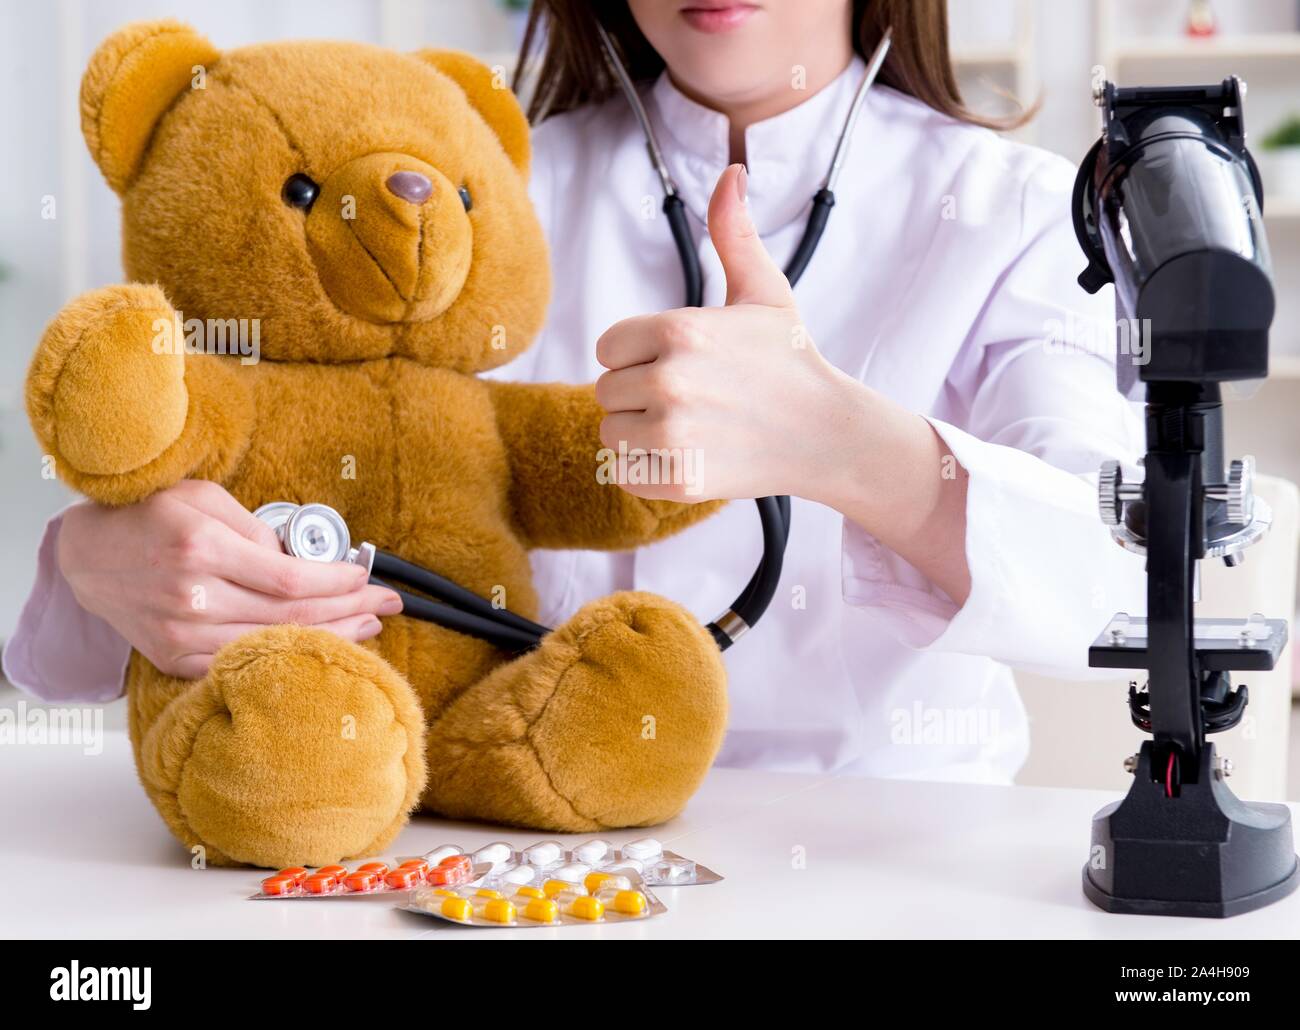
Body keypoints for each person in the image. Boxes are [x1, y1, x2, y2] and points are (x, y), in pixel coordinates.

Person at [4, 0, 1143, 782]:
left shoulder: (1018, 213)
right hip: (502, 863)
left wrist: (842, 446)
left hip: (887, 880)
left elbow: (1125, 584)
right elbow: (80, 644)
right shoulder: (458, 194)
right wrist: (97, 563)